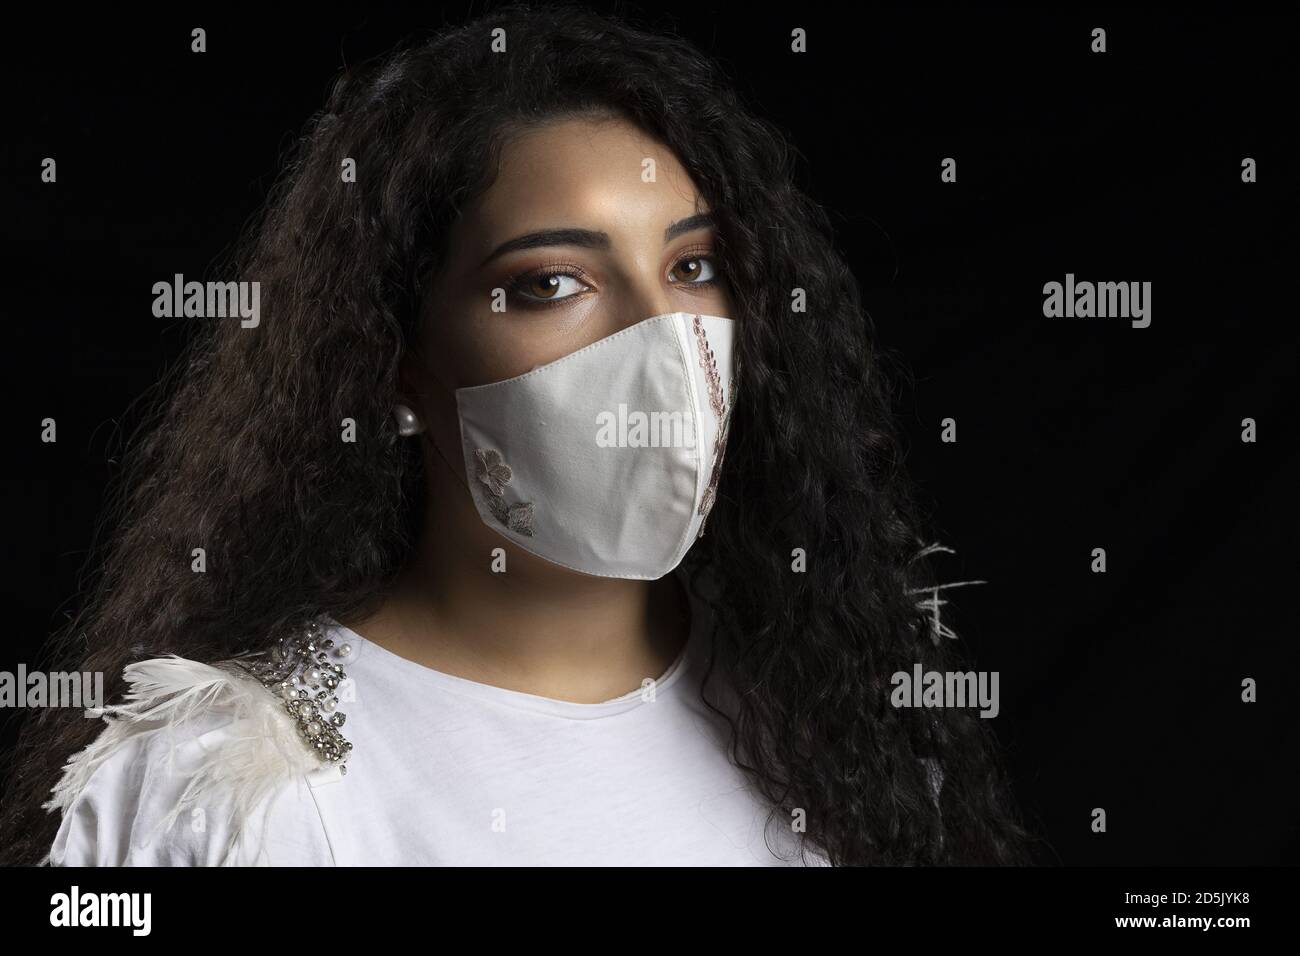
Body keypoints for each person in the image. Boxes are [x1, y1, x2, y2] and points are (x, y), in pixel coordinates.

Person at [1, 2, 1036, 866]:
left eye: (691, 266)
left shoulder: (835, 708)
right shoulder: (227, 786)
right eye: (550, 283)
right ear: (396, 360)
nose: (660, 340)